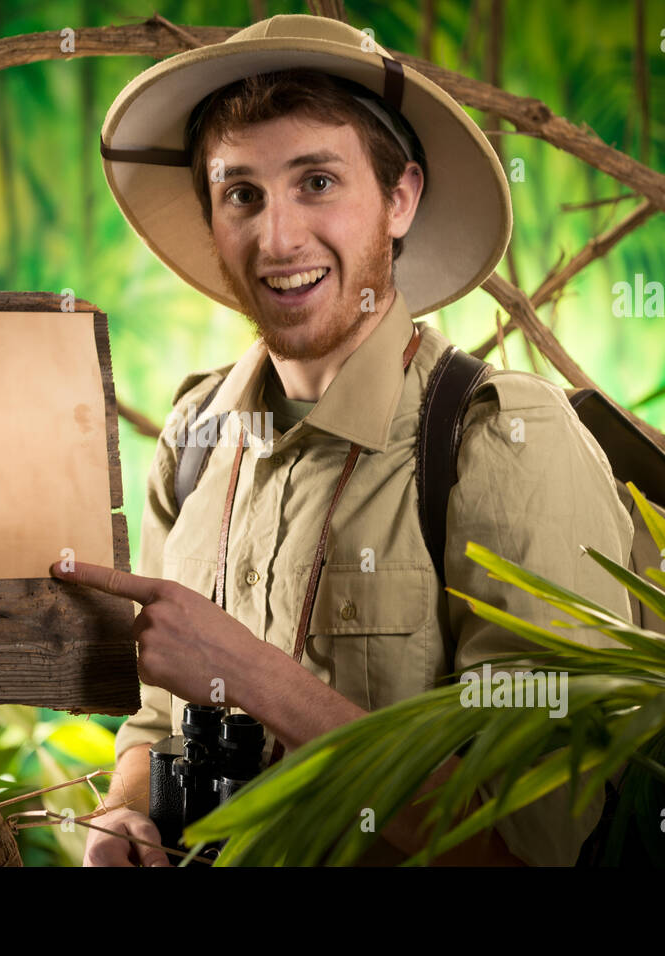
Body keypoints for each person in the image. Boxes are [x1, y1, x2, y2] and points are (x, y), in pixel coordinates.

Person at [53, 14, 634, 866]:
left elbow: (529, 839)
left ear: (400, 199)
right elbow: (153, 721)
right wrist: (123, 813)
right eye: (241, 193)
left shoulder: (502, 440)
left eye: (317, 182)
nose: (277, 238)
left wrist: (256, 677)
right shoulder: (196, 435)